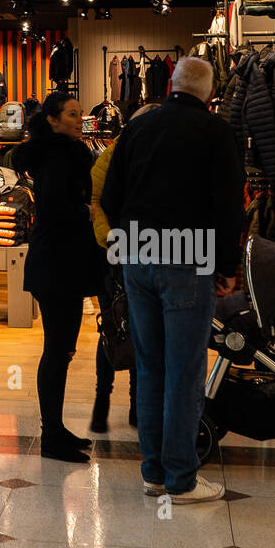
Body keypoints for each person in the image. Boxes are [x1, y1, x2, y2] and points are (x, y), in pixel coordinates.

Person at [101, 56, 244, 502]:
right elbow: (228, 207)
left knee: (150, 367)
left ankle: (154, 473)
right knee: (184, 371)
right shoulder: (216, 132)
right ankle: (180, 478)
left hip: (138, 256)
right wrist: (226, 268)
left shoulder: (139, 128)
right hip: (189, 258)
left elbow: (110, 195)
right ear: (209, 91)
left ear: (171, 86)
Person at [12, 93, 102, 463]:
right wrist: (89, 211)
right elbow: (53, 206)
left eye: (81, 113)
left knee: (62, 349)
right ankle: (51, 436)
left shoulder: (65, 152)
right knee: (57, 349)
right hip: (55, 263)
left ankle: (56, 428)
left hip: (60, 261)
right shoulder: (56, 155)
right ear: (51, 119)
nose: (80, 119)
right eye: (71, 114)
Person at [87, 108, 155, 433]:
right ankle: (102, 401)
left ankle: (136, 406)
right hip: (113, 254)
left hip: (147, 253)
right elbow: (94, 199)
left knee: (142, 331)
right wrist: (109, 238)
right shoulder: (113, 153)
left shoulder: (158, 155)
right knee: (113, 327)